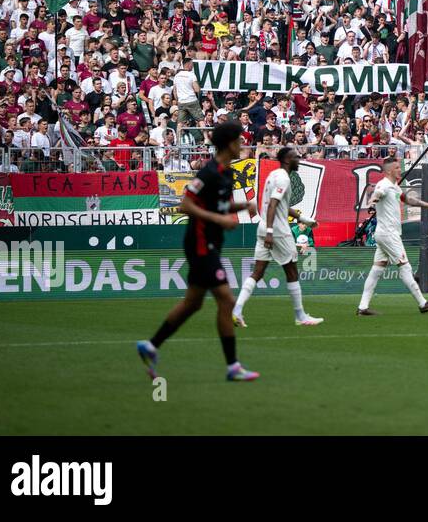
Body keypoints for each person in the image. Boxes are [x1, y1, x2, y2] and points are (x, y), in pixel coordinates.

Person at [136, 121, 260, 381]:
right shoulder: (209, 172)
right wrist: (219, 220)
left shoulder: (227, 173)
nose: (242, 144)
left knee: (193, 303)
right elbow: (185, 205)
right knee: (226, 300)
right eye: (239, 140)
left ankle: (151, 346)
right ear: (229, 143)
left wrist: (242, 207)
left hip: (211, 242)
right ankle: (233, 367)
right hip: (201, 243)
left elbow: (218, 206)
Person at [231, 147, 324, 327]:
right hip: (277, 230)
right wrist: (270, 232)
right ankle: (300, 316)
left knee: (258, 272)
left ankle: (237, 310)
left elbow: (281, 205)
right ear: (287, 159)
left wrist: (302, 219)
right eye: (296, 157)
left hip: (263, 226)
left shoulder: (273, 175)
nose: (299, 159)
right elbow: (273, 204)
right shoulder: (284, 179)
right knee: (292, 271)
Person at [355, 157, 428, 315]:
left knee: (377, 269)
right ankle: (423, 303)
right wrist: (373, 200)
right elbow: (377, 193)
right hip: (389, 234)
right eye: (396, 168)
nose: (399, 170)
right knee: (405, 267)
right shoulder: (384, 185)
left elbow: (407, 199)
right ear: (389, 171)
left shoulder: (394, 186)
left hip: (385, 234)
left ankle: (362, 307)